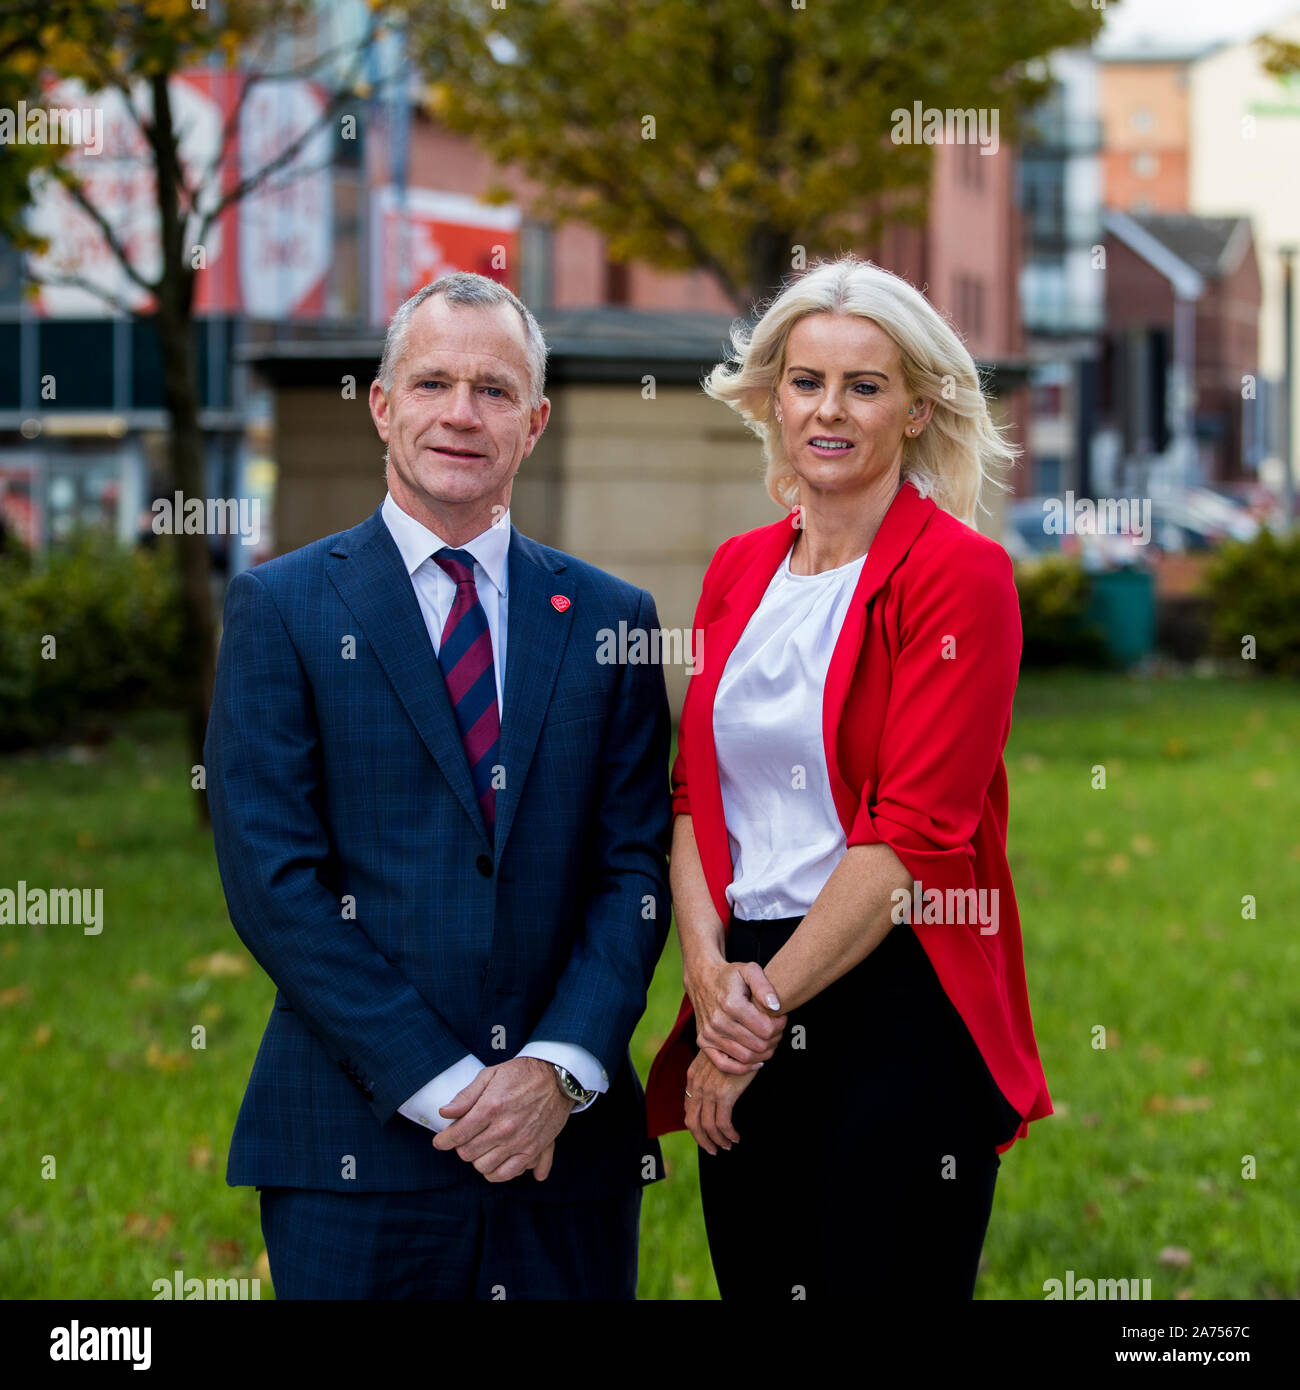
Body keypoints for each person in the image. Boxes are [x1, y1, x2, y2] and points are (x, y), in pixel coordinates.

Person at [205, 272, 671, 1299]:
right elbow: (273, 881)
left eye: (494, 390)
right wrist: (452, 1086)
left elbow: (634, 869)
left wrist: (555, 1070)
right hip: (352, 1148)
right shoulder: (281, 608)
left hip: (563, 1153)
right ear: (382, 406)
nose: (462, 413)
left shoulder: (613, 618)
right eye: (432, 384)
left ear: (534, 423)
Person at [645, 254, 1053, 1301]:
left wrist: (756, 1017)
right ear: (774, 397)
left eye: (863, 386)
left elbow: (912, 836)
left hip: (895, 991)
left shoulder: (960, 575)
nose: (829, 410)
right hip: (745, 978)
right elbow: (694, 796)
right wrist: (709, 975)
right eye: (806, 381)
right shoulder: (738, 569)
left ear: (915, 409)